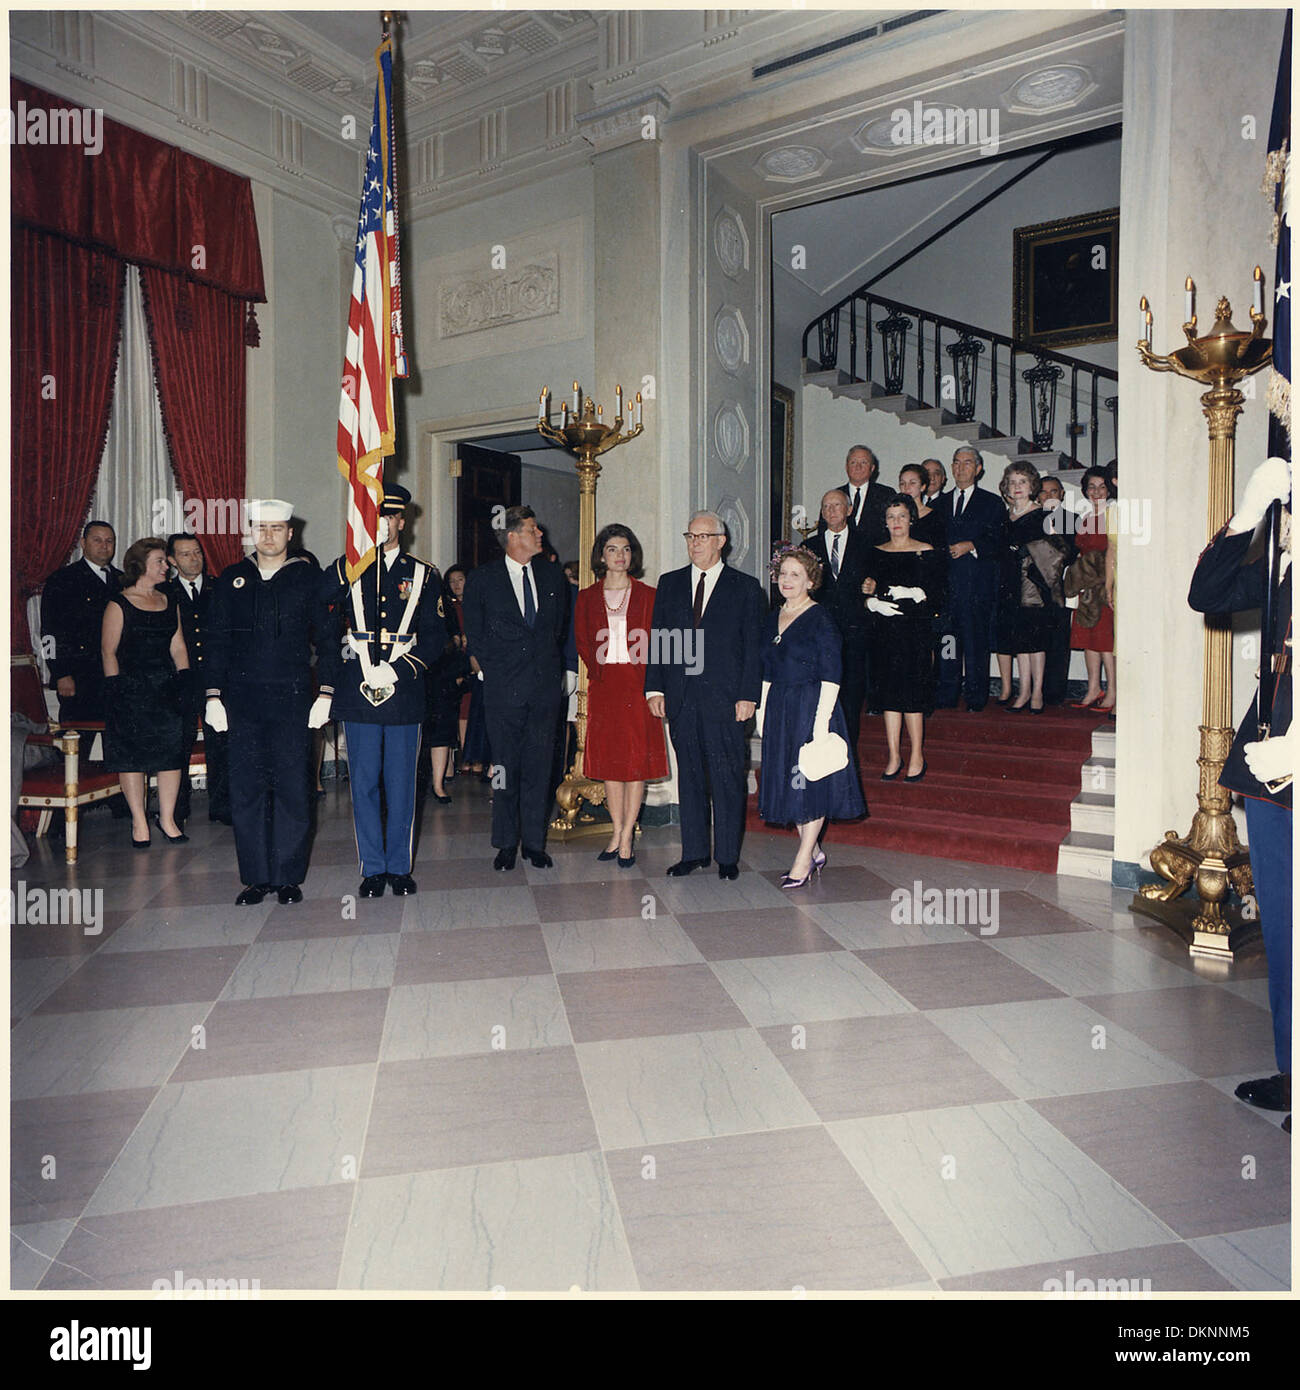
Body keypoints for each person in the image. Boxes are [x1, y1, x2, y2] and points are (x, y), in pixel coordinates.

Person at [1189, 455, 1292, 1128]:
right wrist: (1249, 517)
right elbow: (1209, 595)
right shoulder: (1283, 546)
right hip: (1270, 761)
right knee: (1285, 922)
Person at [319, 484, 445, 898]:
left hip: (404, 689)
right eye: (375, 517)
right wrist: (354, 560)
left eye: (389, 517)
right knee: (365, 782)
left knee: (402, 781)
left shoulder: (424, 574)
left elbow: (435, 637)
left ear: (402, 522)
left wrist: (399, 670)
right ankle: (372, 867)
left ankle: (399, 866)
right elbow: (319, 606)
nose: (383, 525)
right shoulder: (348, 569)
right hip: (358, 688)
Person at [205, 499, 332, 906]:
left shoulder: (308, 578)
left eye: (277, 528)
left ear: (290, 533)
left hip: (292, 696)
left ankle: (289, 876)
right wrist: (212, 695)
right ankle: (256, 877)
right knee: (248, 788)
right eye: (261, 527)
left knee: (294, 786)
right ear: (250, 531)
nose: (269, 535)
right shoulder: (232, 578)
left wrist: (327, 691)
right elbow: (216, 640)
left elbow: (329, 638)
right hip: (242, 699)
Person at [645, 510, 766, 879]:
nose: (694, 544)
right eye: (690, 537)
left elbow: (754, 648)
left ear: (720, 541)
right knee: (691, 776)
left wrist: (748, 695)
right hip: (682, 697)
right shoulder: (670, 583)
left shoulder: (745, 588)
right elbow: (659, 640)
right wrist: (655, 687)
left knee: (728, 776)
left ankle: (727, 855)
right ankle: (694, 852)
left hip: (726, 700)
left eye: (702, 537)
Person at [461, 505, 571, 871]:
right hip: (503, 690)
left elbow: (558, 631)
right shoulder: (483, 579)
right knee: (505, 766)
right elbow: (475, 635)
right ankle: (506, 842)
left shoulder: (552, 575)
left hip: (543, 691)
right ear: (512, 536)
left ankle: (535, 844)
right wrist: (496, 672)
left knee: (540, 766)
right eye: (532, 529)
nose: (540, 534)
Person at [756, 546, 865, 886]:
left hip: (812, 707)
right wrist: (761, 711)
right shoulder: (772, 616)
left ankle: (803, 860)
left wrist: (820, 723)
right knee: (791, 784)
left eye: (795, 575)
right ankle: (814, 849)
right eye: (783, 573)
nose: (787, 581)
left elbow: (832, 675)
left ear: (810, 581)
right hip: (779, 707)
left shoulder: (821, 618)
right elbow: (766, 672)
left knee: (809, 785)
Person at [575, 524, 668, 866]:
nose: (620, 555)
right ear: (602, 555)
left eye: (626, 549)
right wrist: (599, 672)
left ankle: (627, 835)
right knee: (612, 767)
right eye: (613, 549)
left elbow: (659, 642)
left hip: (638, 687)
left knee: (636, 766)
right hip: (605, 687)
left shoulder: (648, 594)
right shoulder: (586, 597)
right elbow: (583, 641)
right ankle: (616, 831)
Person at [101, 537, 191, 847]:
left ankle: (167, 819)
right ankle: (139, 823)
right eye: (160, 562)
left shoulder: (169, 601)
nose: (167, 566)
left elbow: (177, 646)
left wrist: (185, 680)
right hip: (130, 691)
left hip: (166, 689)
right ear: (140, 566)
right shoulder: (119, 603)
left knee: (170, 756)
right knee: (132, 759)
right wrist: (117, 692)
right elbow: (108, 652)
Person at [860, 495, 945, 779]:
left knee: (913, 695)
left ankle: (917, 755)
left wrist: (916, 593)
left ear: (911, 518)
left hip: (915, 631)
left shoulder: (926, 550)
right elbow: (865, 589)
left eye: (901, 516)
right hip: (885, 632)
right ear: (885, 522)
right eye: (891, 517)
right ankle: (894, 755)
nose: (896, 522)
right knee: (889, 696)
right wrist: (870, 602)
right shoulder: (875, 552)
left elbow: (939, 595)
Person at [164, 532, 230, 824]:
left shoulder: (220, 588)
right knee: (179, 742)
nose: (195, 559)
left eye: (197, 552)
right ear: (172, 560)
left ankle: (222, 806)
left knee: (221, 742)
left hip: (217, 679)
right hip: (182, 681)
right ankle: (177, 809)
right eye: (186, 554)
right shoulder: (164, 593)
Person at [994, 463, 1071, 712]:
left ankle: (1037, 692)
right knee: (1020, 642)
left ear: (1032, 486)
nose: (1017, 487)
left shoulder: (1043, 515)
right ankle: (1023, 691)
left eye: (1023, 482)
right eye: (1013, 481)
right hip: (1009, 585)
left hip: (1033, 586)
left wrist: (1031, 551)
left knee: (1035, 642)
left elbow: (1062, 551)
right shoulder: (1006, 516)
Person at [935, 446, 1003, 711]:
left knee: (975, 644)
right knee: (948, 644)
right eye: (956, 462)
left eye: (967, 463)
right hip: (948, 589)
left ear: (978, 469)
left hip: (976, 587)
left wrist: (972, 545)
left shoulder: (992, 502)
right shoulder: (938, 504)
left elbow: (998, 541)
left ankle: (975, 697)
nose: (961, 468)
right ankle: (947, 693)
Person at [806, 489, 871, 756]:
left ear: (849, 509)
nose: (831, 511)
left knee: (851, 697)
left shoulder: (867, 543)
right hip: (819, 633)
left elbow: (877, 580)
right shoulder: (809, 547)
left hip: (854, 633)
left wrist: (873, 585)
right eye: (826, 506)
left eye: (837, 505)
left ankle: (847, 754)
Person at [41, 520, 123, 723]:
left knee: (117, 746)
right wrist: (61, 673)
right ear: (83, 543)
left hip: (115, 677)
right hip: (78, 678)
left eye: (109, 541)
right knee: (75, 746)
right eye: (97, 540)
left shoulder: (123, 581)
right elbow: (49, 633)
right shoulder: (62, 579)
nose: (104, 546)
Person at [1068, 467, 1117, 710]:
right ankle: (1093, 688)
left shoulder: (1114, 514)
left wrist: (1108, 585)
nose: (1096, 492)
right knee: (1089, 640)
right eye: (1091, 487)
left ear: (1109, 488)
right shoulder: (1085, 518)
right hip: (1087, 587)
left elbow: (1114, 553)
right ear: (1085, 490)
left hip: (1105, 585)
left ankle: (1113, 691)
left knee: (1105, 641)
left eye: (1101, 487)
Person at [426, 564, 471, 805]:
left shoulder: (447, 605)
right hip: (418, 672)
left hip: (443, 673)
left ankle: (438, 784)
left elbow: (455, 636)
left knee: (443, 729)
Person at [1038, 477, 1077, 705]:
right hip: (1032, 590)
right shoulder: (1031, 517)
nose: (1049, 496)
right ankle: (1034, 691)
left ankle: (1054, 693)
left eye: (1054, 491)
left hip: (1059, 589)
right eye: (1043, 492)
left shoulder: (1073, 520)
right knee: (1035, 643)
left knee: (1058, 642)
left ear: (1061, 494)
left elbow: (1070, 553)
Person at [836, 444, 893, 544]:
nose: (858, 467)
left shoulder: (886, 494)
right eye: (853, 463)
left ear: (872, 468)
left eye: (864, 462)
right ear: (846, 467)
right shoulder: (835, 496)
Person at [897, 463, 946, 548]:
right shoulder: (894, 515)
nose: (906, 487)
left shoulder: (935, 517)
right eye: (902, 483)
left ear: (923, 487)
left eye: (912, 483)